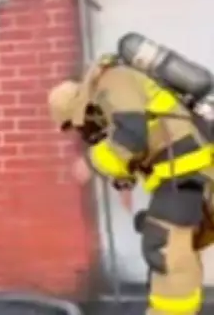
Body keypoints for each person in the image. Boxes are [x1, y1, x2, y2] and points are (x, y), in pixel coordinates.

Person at [48, 55, 214, 315]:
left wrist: (91, 164)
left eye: (72, 124)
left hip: (186, 172)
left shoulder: (112, 80)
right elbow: (142, 137)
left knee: (165, 246)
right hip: (186, 173)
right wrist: (122, 178)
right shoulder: (111, 95)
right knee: (177, 247)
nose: (79, 130)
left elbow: (133, 136)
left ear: (77, 108)